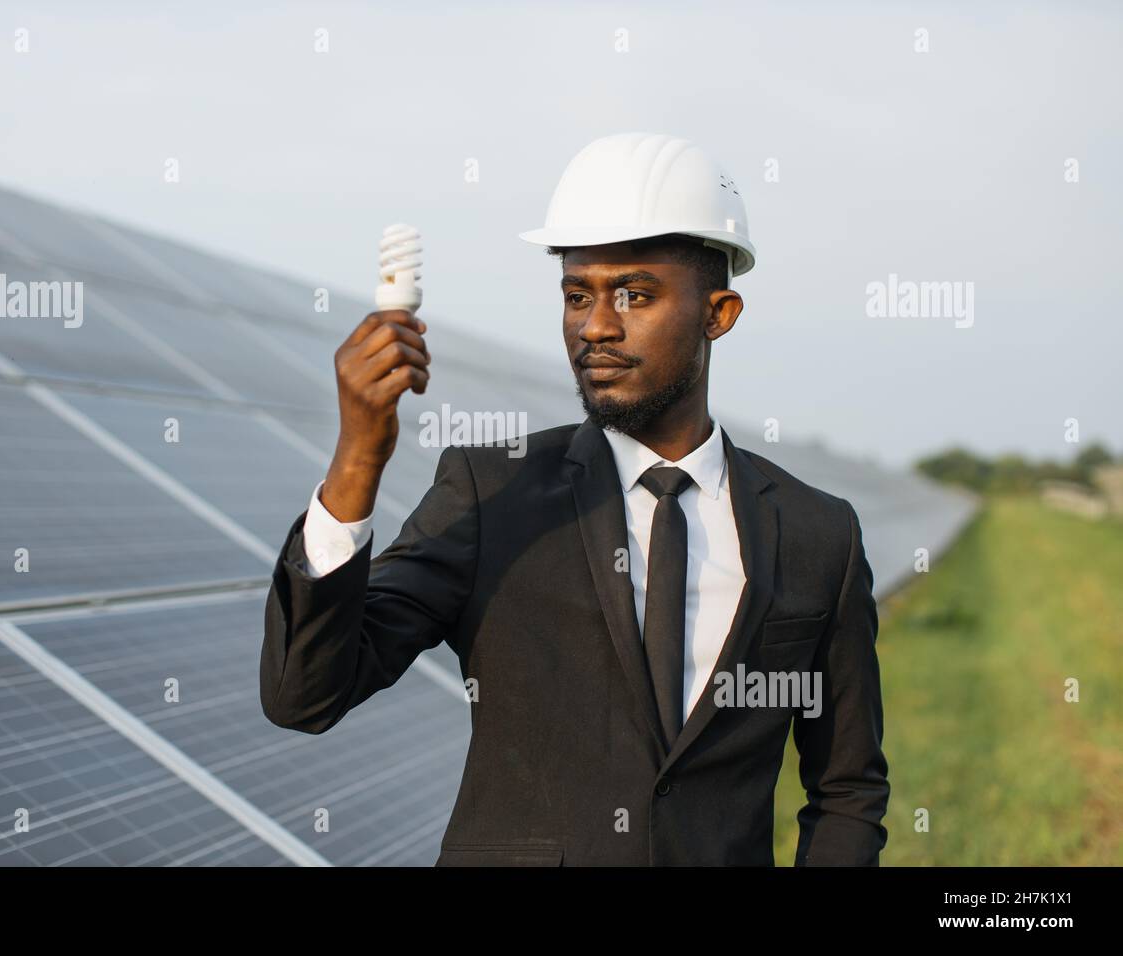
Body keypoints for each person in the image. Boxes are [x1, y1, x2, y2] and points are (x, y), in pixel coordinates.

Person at [261, 132, 889, 866]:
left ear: (719, 314)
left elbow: (847, 788)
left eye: (635, 295)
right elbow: (305, 696)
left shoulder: (819, 534)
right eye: (577, 295)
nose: (596, 325)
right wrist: (357, 460)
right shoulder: (495, 494)